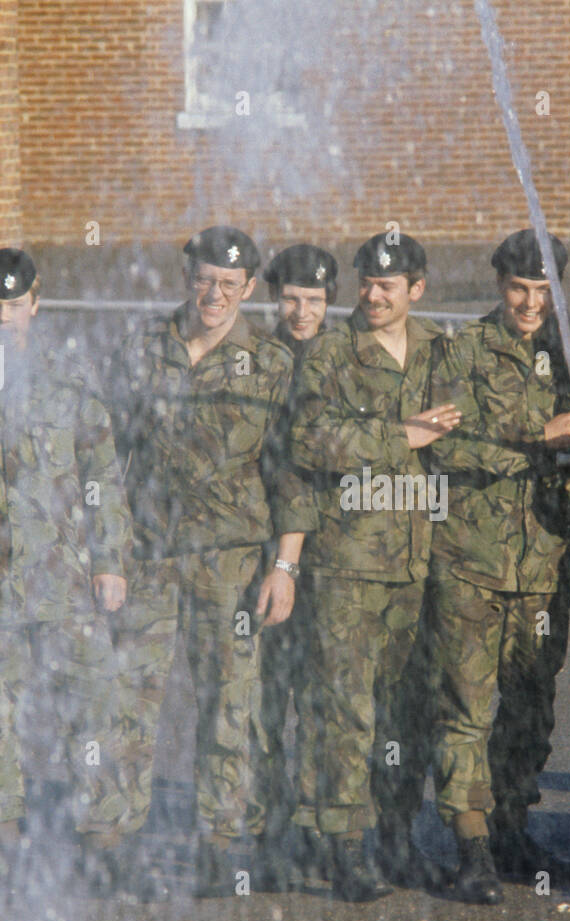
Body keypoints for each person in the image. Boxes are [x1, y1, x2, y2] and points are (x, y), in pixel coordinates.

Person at [0, 248, 146, 898]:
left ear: (35, 304)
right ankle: (4, 854)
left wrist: (111, 561)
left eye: (13, 305)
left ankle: (101, 845)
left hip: (68, 586)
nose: (1, 317)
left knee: (92, 713)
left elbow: (103, 477)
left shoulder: (72, 375)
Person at [106, 226, 313, 897]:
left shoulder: (273, 364)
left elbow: (291, 475)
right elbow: (106, 457)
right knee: (130, 699)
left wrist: (286, 567)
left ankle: (219, 842)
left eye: (230, 284)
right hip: (147, 556)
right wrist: (103, 554)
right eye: (205, 279)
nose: (215, 293)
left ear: (250, 287)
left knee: (230, 702)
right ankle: (116, 839)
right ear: (187, 275)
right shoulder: (142, 349)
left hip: (232, 565)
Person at [289, 232, 461, 901]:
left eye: (388, 285)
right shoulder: (331, 352)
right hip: (349, 563)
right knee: (346, 712)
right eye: (366, 281)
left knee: (407, 713)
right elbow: (309, 437)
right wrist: (400, 436)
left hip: (419, 566)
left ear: (417, 289)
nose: (372, 293)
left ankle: (396, 836)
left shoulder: (439, 350)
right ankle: (343, 846)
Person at [424, 228, 570, 894]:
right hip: (470, 562)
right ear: (499, 285)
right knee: (465, 707)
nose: (529, 302)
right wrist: (538, 437)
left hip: (544, 565)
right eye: (518, 288)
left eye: (541, 290)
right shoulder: (462, 351)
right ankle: (472, 847)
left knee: (530, 705)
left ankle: (513, 826)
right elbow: (445, 447)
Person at [260, 243, 340, 881]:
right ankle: (268, 823)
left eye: (314, 300)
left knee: (323, 693)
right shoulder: (257, 359)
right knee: (265, 691)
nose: (302, 311)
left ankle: (315, 824)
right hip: (266, 546)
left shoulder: (345, 359)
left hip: (335, 554)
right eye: (291, 298)